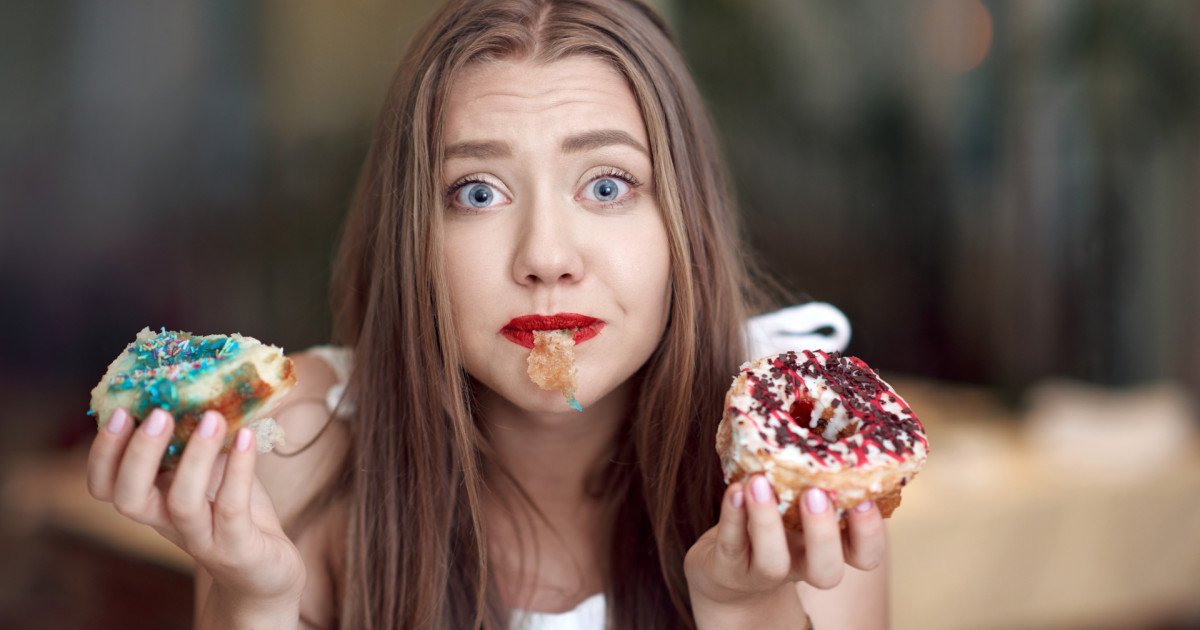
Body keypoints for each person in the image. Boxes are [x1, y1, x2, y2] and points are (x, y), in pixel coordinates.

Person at [86, 0, 888, 627]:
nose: (545, 254)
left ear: (688, 224)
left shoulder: (803, 478)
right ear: (412, 239)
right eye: (478, 192)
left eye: (607, 186)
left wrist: (748, 613)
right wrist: (254, 601)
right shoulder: (296, 450)